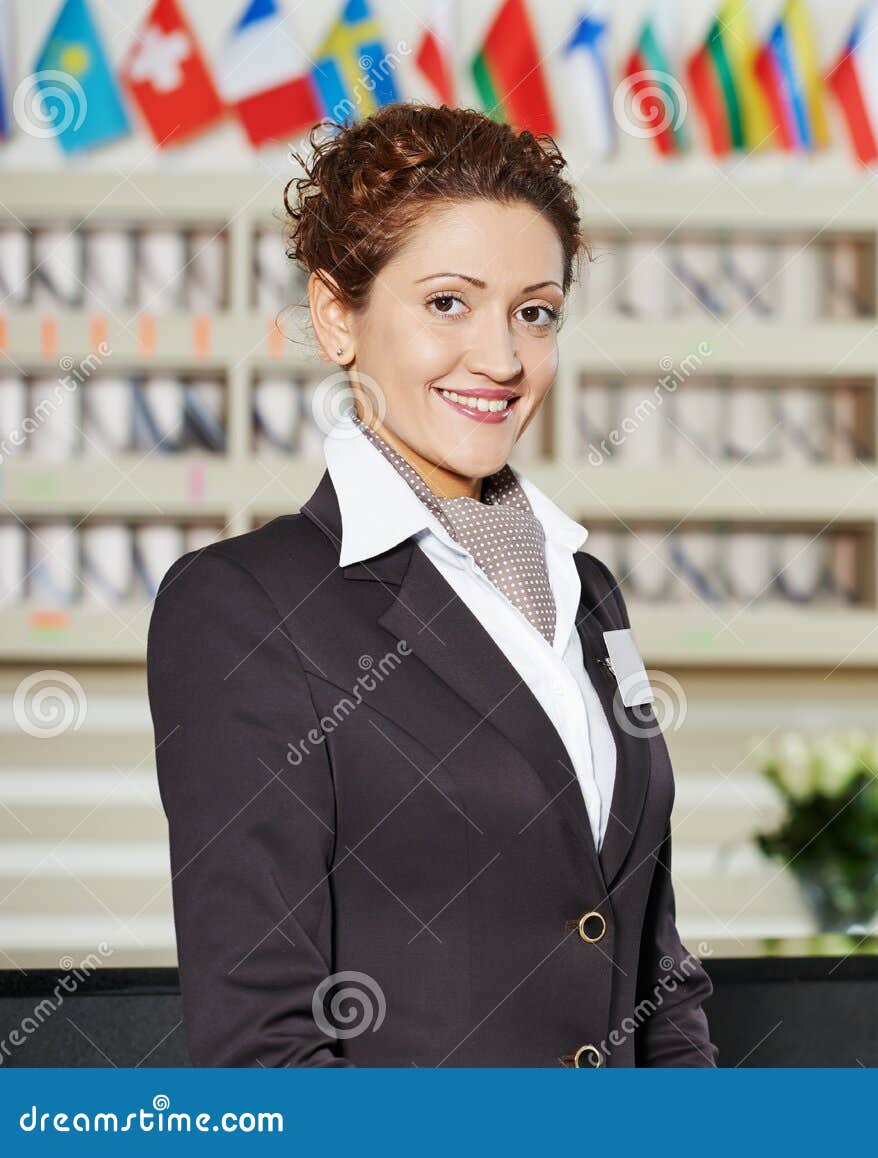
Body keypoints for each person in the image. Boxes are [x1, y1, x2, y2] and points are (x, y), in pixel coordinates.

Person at [148, 104, 715, 1066]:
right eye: (448, 303)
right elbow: (262, 1041)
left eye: (533, 312)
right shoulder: (243, 606)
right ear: (337, 317)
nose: (500, 360)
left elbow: (659, 972)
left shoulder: (588, 591)